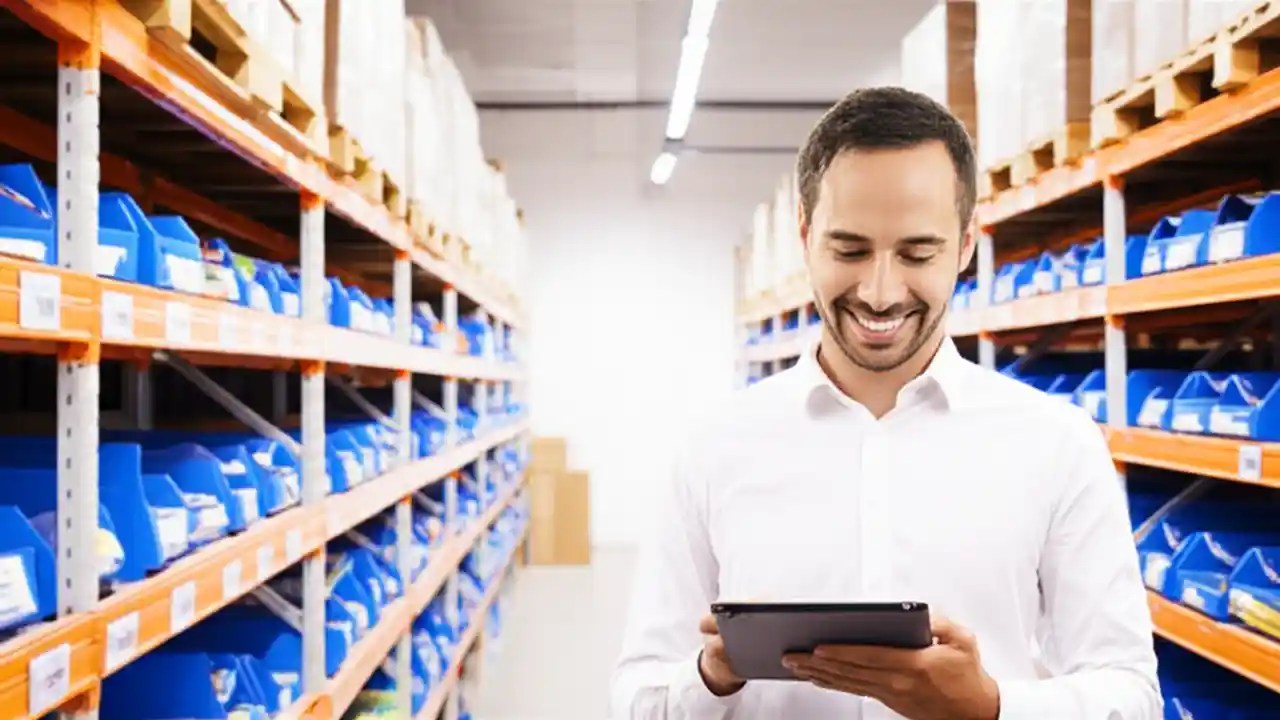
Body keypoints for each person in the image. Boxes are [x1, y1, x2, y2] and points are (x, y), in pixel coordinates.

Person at [609, 87, 1161, 720]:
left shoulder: (1057, 445)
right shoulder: (713, 450)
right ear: (804, 234)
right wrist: (712, 674)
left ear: (966, 244)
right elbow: (638, 701)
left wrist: (990, 707)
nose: (879, 291)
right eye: (849, 250)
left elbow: (1132, 695)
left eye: (917, 253)